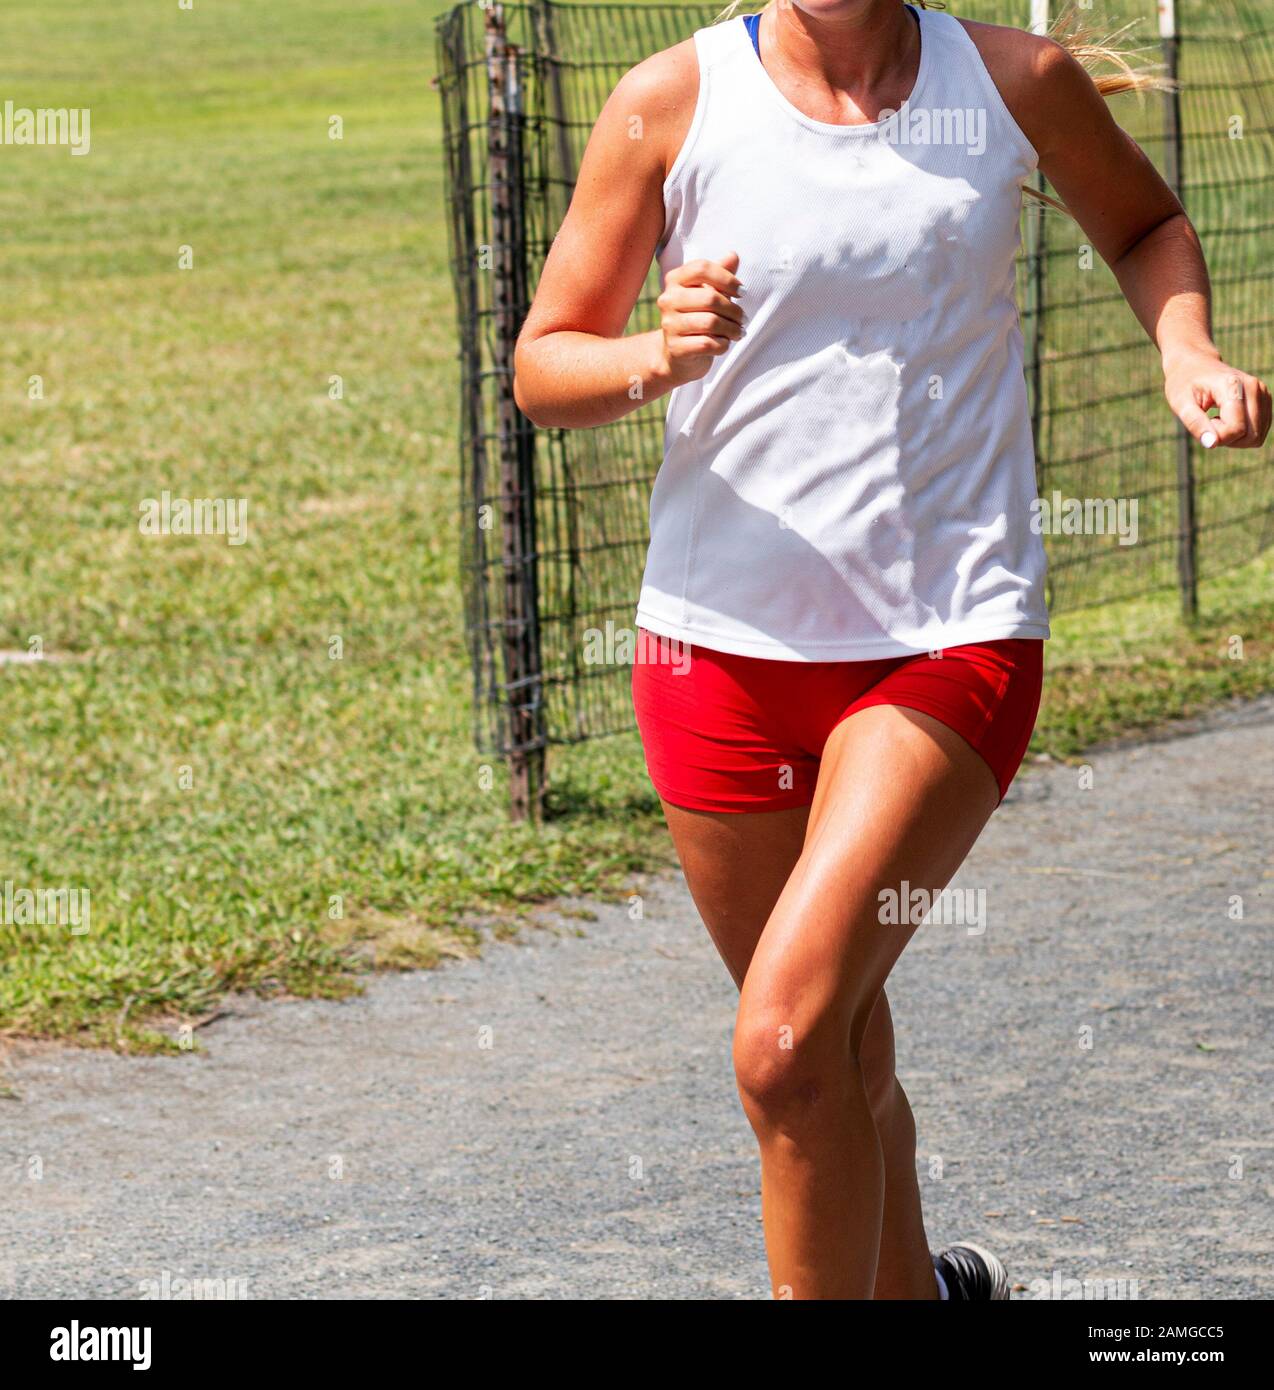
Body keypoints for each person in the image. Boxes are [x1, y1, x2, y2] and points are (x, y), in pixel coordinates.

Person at [513, 0, 1271, 1299]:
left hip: (944, 636)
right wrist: (654, 352)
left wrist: (1181, 344)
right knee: (835, 1052)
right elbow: (542, 368)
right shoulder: (666, 100)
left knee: (784, 1034)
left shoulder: (1015, 80)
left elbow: (1144, 226)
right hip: (713, 659)